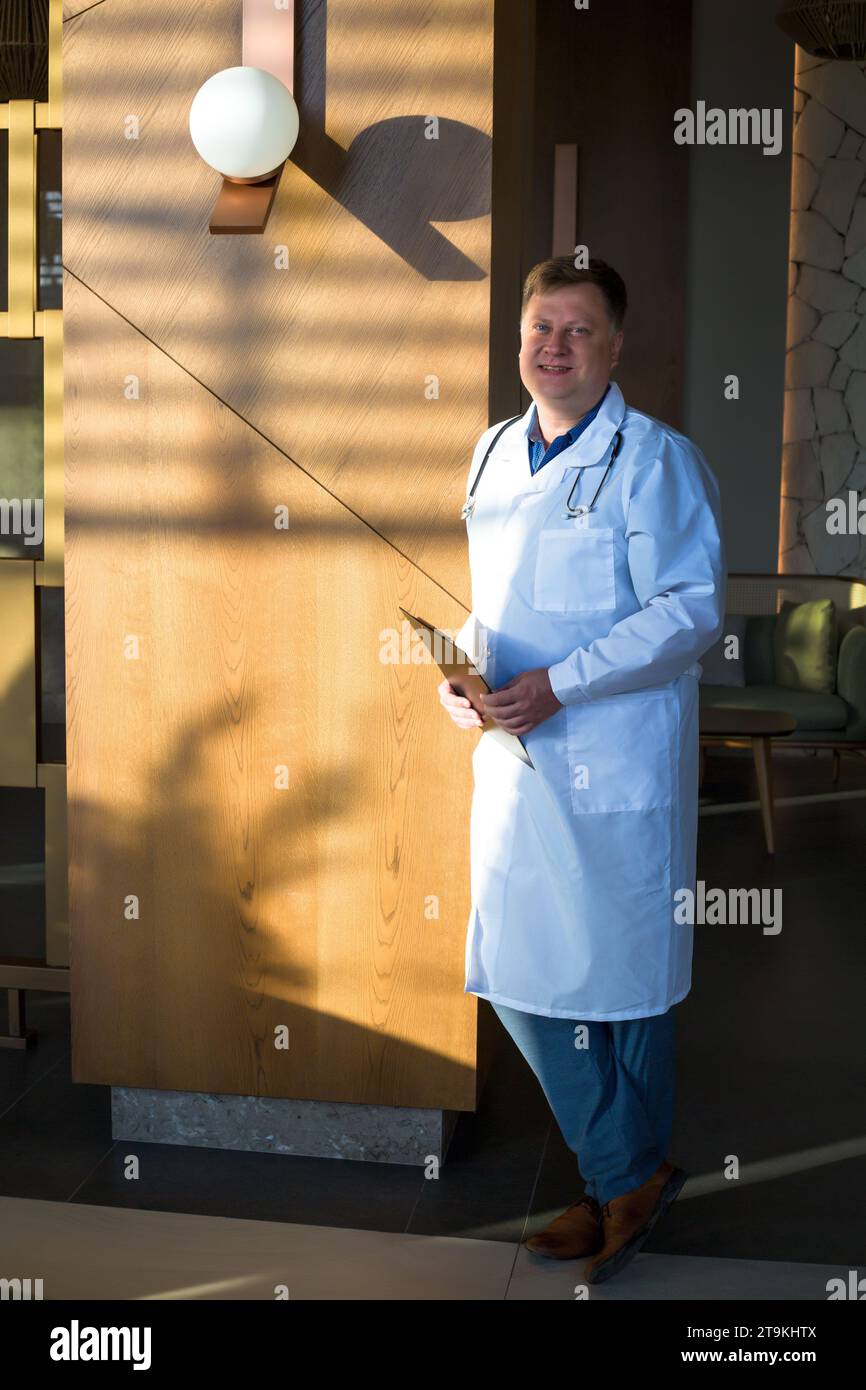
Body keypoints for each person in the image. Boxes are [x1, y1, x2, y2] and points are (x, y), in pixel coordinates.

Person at [439, 256, 726, 1286]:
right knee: (518, 973)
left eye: (577, 330)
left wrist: (562, 681)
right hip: (516, 762)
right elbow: (491, 605)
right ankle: (627, 1175)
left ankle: (617, 1182)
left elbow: (689, 612)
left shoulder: (652, 461)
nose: (552, 346)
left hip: (613, 763)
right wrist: (460, 680)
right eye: (538, 328)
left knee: (620, 983)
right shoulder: (488, 455)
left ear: (612, 348)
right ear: (517, 341)